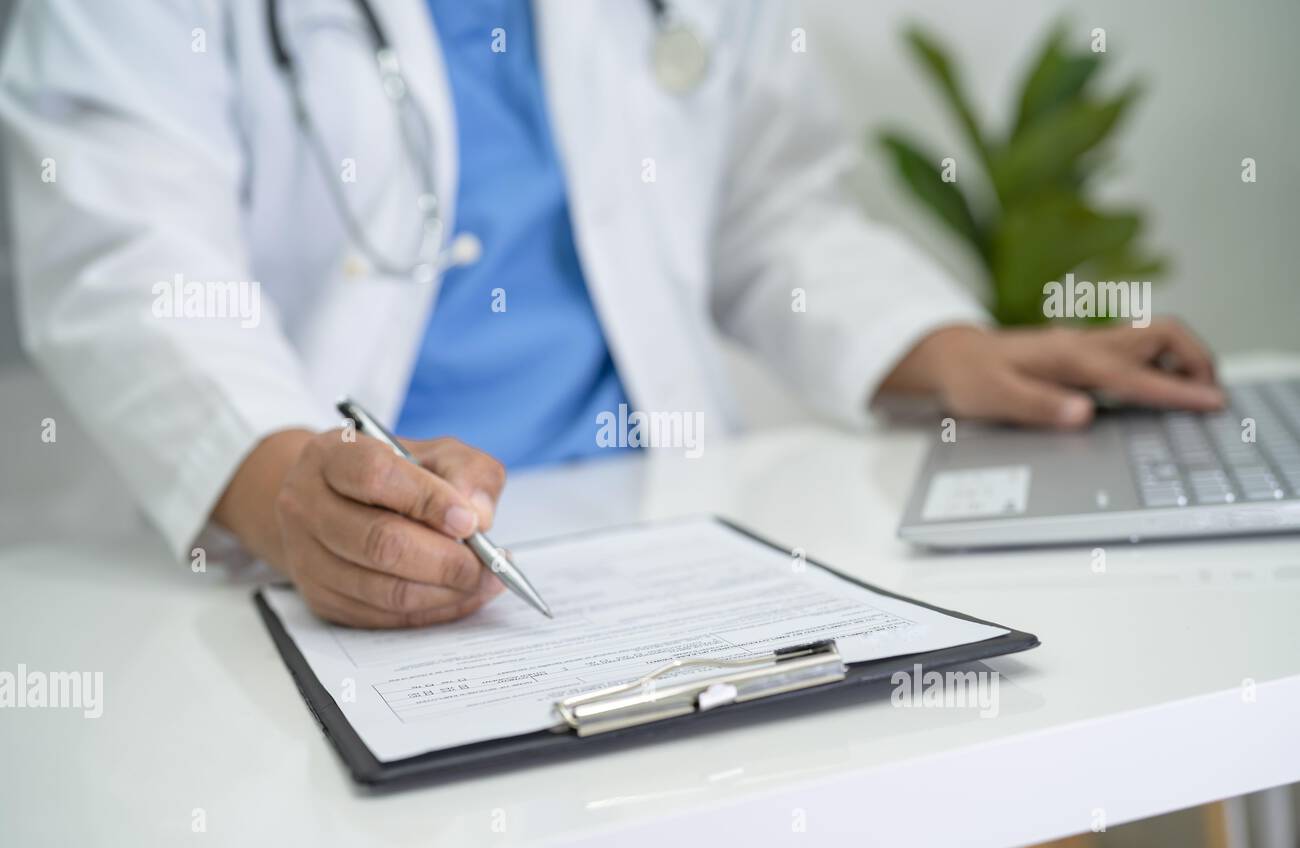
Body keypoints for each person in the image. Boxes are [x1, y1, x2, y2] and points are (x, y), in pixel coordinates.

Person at [0, 0, 1222, 627]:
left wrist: (953, 350)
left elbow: (767, 201)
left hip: (653, 523)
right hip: (291, 554)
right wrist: (285, 495)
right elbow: (121, 251)